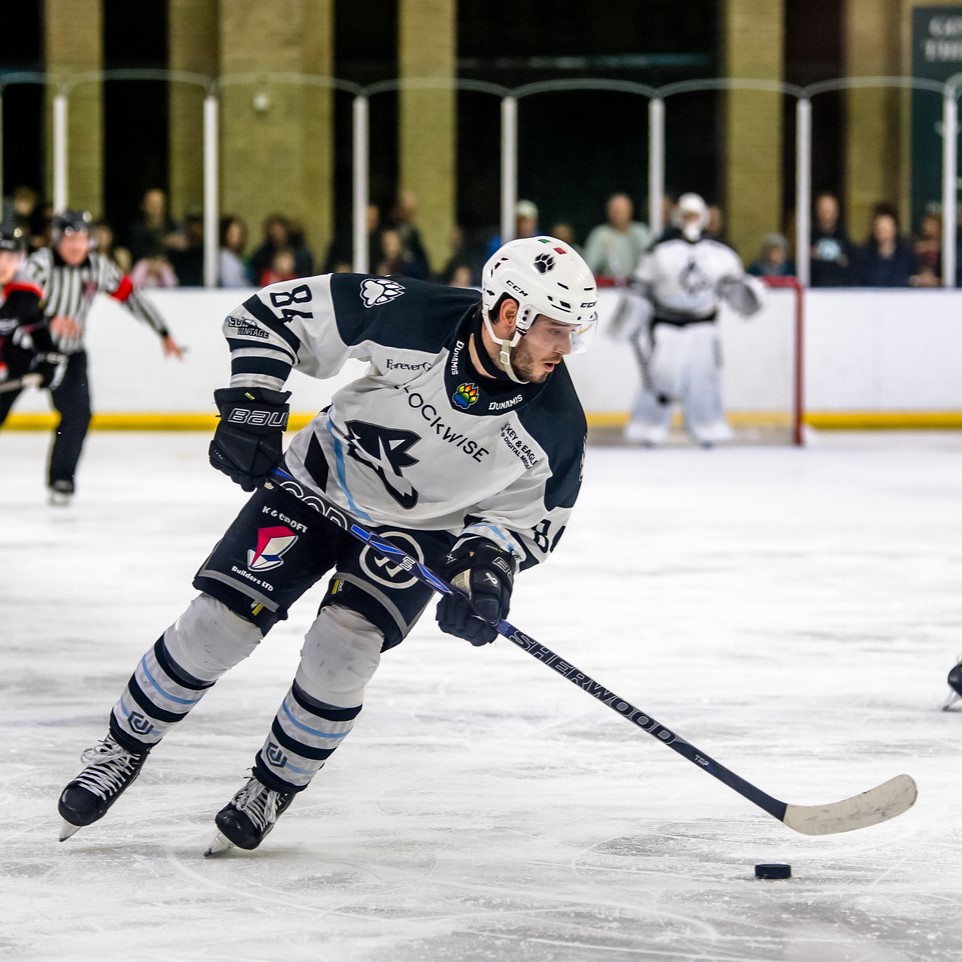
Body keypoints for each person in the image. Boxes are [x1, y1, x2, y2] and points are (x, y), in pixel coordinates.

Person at [55, 235, 598, 854]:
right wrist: (252, 406)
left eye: (574, 332)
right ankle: (120, 749)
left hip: (417, 533)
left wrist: (484, 572)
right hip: (316, 482)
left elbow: (529, 521)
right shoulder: (413, 313)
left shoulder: (557, 426)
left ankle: (272, 786)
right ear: (509, 315)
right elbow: (274, 313)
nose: (566, 348)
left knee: (342, 654)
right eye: (556, 329)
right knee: (217, 627)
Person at [21, 209, 185, 504]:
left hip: (69, 353)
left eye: (84, 239)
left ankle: (61, 478)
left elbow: (131, 297)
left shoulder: (97, 267)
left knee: (78, 414)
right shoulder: (40, 264)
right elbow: (21, 300)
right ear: (57, 239)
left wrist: (163, 331)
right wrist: (47, 321)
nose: (77, 246)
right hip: (26, 348)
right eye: (71, 239)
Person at [623, 192, 764, 447]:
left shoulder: (720, 252)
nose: (691, 220)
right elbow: (641, 288)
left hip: (704, 326)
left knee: (704, 380)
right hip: (667, 325)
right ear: (678, 216)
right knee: (661, 378)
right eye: (686, 214)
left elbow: (733, 288)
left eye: (695, 215)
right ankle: (649, 427)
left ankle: (708, 427)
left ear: (704, 217)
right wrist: (629, 320)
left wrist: (748, 297)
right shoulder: (659, 249)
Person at [0, 224, 64, 420]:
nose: (3, 264)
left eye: (11, 257)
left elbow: (38, 330)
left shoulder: (23, 293)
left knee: (22, 358)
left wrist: (48, 361)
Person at [583, 193, 651, 282]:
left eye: (622, 211)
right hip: (610, 289)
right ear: (608, 212)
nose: (618, 215)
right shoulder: (600, 234)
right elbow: (588, 268)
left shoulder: (641, 232)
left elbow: (651, 261)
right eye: (614, 210)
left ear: (630, 211)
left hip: (639, 286)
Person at [853, 204, 918, 287]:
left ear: (895, 230)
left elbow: (912, 280)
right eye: (880, 229)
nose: (883, 235)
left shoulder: (907, 255)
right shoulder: (863, 256)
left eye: (886, 230)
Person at [810, 191, 856, 287]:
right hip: (814, 293)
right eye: (823, 209)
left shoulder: (844, 240)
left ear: (836, 212)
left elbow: (852, 269)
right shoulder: (809, 239)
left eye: (830, 209)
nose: (826, 213)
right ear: (817, 211)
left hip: (839, 293)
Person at [218, 215, 250, 287]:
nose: (237, 237)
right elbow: (230, 285)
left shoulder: (234, 256)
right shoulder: (224, 257)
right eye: (232, 233)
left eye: (239, 234)